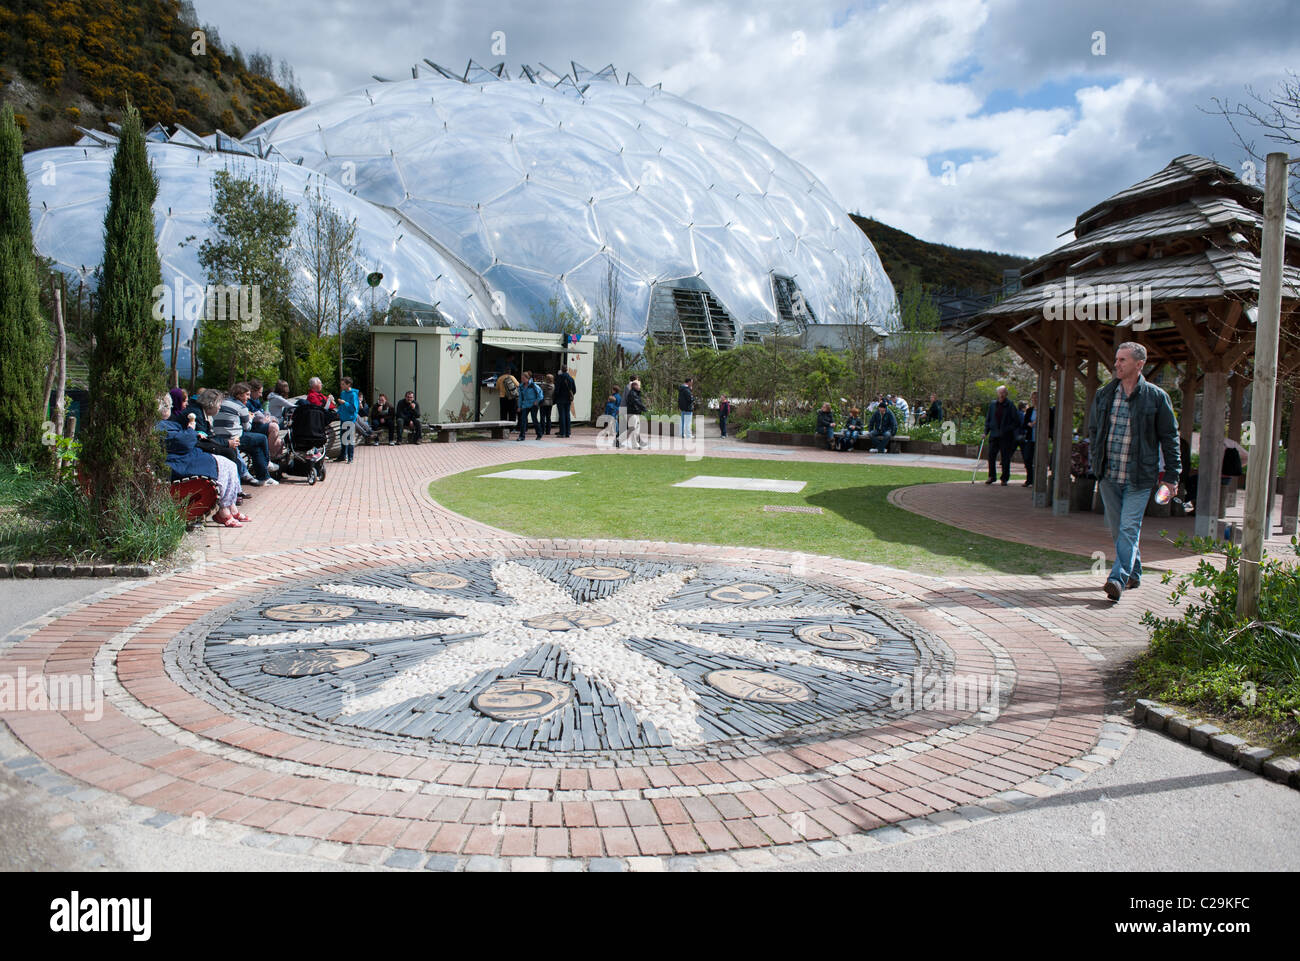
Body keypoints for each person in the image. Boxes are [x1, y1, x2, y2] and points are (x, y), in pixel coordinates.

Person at [1088, 342, 1180, 602]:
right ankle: (1134, 572)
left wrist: (1172, 476)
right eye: (1116, 359)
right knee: (1119, 529)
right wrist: (1097, 462)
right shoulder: (1105, 394)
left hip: (1139, 477)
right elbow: (1094, 430)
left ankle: (1117, 579)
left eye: (1123, 360)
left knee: (1129, 528)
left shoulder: (1156, 397)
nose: (1116, 364)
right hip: (1108, 475)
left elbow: (1170, 438)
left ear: (1139, 365)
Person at [156, 392, 246, 527]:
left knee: (229, 463)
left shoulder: (165, 423)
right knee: (227, 463)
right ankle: (224, 511)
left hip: (184, 457)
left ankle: (229, 508)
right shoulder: (161, 425)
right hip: (180, 461)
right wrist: (191, 430)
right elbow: (183, 442)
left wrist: (192, 433)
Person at [214, 383, 278, 486]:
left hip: (219, 436)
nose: (249, 397)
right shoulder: (241, 407)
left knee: (255, 448)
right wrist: (251, 418)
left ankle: (264, 478)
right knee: (262, 438)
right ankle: (267, 464)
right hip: (234, 438)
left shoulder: (223, 402)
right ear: (239, 395)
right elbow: (247, 427)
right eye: (247, 394)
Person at [983, 385, 1020, 485]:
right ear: (997, 394)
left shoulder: (1010, 405)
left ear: (1006, 394)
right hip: (994, 435)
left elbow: (1016, 421)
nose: (1001, 395)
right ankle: (992, 476)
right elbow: (988, 420)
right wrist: (985, 432)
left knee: (1005, 458)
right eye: (1000, 392)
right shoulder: (992, 405)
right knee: (991, 456)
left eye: (1003, 393)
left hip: (1005, 436)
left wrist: (1007, 429)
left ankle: (1004, 478)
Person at [338, 376, 362, 463]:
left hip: (350, 419)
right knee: (343, 437)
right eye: (341, 384)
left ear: (348, 384)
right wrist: (339, 412)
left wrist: (345, 403)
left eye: (343, 384)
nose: (341, 385)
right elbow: (341, 406)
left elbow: (354, 408)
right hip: (343, 418)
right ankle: (343, 456)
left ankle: (350, 457)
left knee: (349, 438)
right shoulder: (343, 393)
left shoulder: (353, 395)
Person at [516, 370, 543, 440]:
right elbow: (520, 398)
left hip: (533, 405)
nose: (522, 380)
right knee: (523, 420)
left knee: (534, 420)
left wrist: (537, 401)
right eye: (521, 378)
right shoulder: (521, 387)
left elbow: (540, 394)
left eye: (523, 378)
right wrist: (519, 406)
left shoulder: (533, 385)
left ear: (527, 378)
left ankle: (539, 434)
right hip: (525, 405)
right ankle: (521, 436)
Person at [1021, 391, 1039, 487]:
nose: (1035, 400)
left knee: (1038, 460)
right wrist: (1029, 424)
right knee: (1027, 458)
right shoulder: (1029, 410)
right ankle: (1029, 479)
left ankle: (1037, 480)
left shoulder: (1045, 410)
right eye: (1033, 398)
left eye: (1036, 398)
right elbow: (1024, 423)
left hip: (1040, 440)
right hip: (1030, 438)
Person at [625, 377, 648, 449]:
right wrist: (644, 408)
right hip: (632, 414)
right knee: (633, 430)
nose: (640, 387)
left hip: (636, 413)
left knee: (636, 430)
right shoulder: (632, 393)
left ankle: (620, 440)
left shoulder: (636, 393)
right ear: (635, 386)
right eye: (639, 385)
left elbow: (638, 402)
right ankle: (635, 445)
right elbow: (637, 402)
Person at [554, 366, 576, 438]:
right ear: (567, 370)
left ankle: (562, 432)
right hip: (568, 399)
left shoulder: (559, 378)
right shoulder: (571, 378)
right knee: (567, 415)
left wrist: (555, 397)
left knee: (562, 415)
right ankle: (568, 432)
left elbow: (556, 390)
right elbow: (574, 390)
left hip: (560, 399)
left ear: (561, 370)